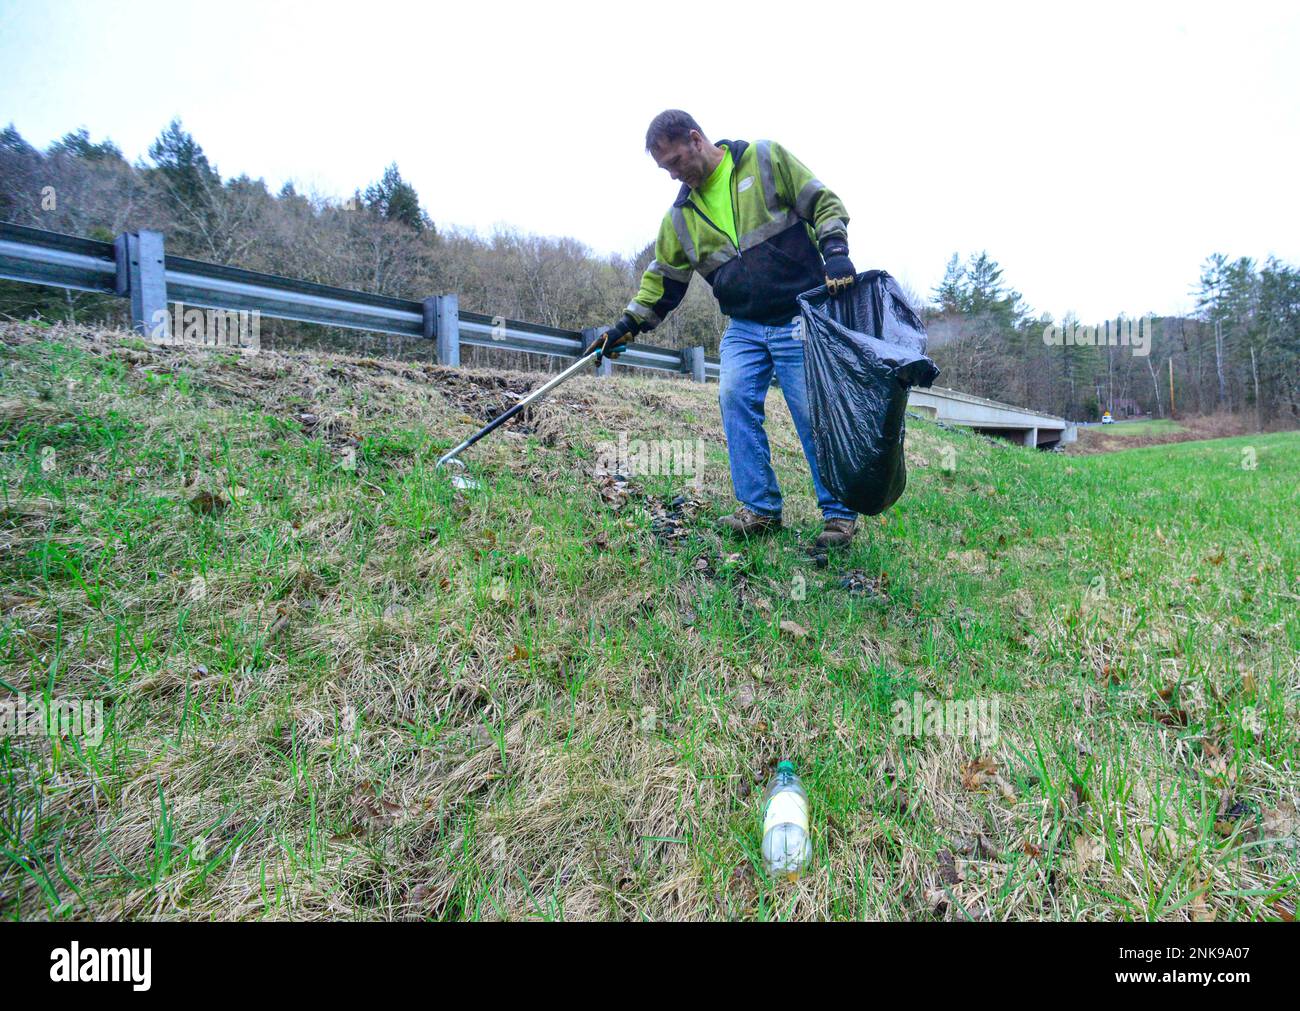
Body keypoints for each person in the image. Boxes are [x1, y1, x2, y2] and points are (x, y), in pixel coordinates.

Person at [589, 110, 858, 548]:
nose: (673, 174)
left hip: (800, 317)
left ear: (696, 139)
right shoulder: (681, 218)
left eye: (676, 161)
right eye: (665, 169)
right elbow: (663, 281)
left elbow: (822, 201)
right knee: (734, 399)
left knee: (812, 413)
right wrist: (627, 325)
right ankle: (761, 510)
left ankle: (839, 515)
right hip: (745, 325)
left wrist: (836, 250)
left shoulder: (765, 161)